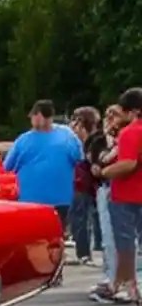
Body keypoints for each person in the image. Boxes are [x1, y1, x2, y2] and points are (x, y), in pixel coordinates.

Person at [4, 100, 83, 284]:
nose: (32, 120)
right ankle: (50, 272)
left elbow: (7, 167)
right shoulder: (67, 136)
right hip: (49, 197)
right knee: (52, 237)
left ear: (39, 115)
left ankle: (48, 272)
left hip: (36, 198)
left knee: (42, 238)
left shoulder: (25, 140)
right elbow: (79, 159)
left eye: (33, 116)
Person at [97, 88, 142, 306]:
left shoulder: (131, 132)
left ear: (132, 111)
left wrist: (105, 172)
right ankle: (122, 283)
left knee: (125, 243)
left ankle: (128, 284)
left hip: (127, 195)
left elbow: (128, 164)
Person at [69, 107, 103, 265]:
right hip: (90, 183)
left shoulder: (89, 140)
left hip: (84, 183)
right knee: (87, 216)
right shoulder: (96, 138)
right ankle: (92, 248)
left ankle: (84, 252)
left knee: (80, 217)